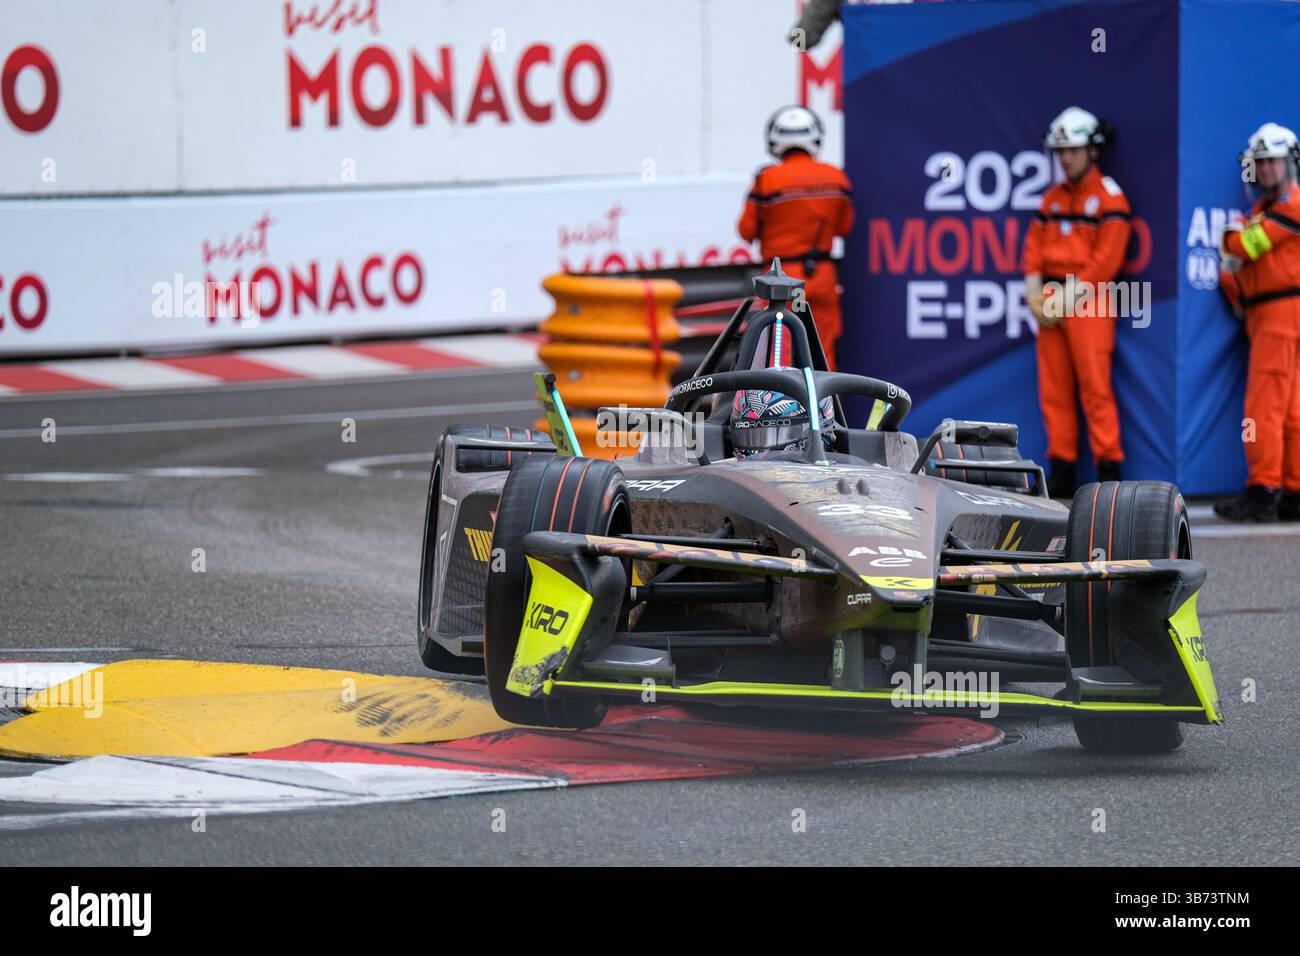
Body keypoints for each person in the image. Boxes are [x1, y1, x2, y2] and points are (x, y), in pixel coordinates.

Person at [1021, 106, 1132, 498]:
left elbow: (1106, 262)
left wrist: (1065, 298)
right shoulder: (1051, 198)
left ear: (1092, 150)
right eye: (1060, 151)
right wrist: (1034, 292)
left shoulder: (1110, 198)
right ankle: (1062, 471)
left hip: (1090, 301)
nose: (1065, 158)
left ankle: (1108, 469)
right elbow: (1033, 249)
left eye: (1072, 150)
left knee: (1095, 387)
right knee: (1054, 389)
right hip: (1052, 300)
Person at [1215, 123, 1300, 521]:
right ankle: (1293, 493)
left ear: (1290, 162)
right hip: (1274, 313)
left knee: (1260, 409)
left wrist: (1232, 238)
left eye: (1273, 161)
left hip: (1279, 315)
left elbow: (1243, 246)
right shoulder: (1267, 210)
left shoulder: (1291, 205)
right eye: (1260, 162)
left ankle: (1262, 491)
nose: (1265, 169)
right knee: (1291, 408)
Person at [738, 105, 854, 370]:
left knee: (780, 350)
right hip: (822, 277)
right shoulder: (836, 178)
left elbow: (746, 231)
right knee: (822, 351)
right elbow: (844, 227)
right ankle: (823, 397)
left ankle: (779, 397)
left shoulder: (767, 180)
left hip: (780, 280)